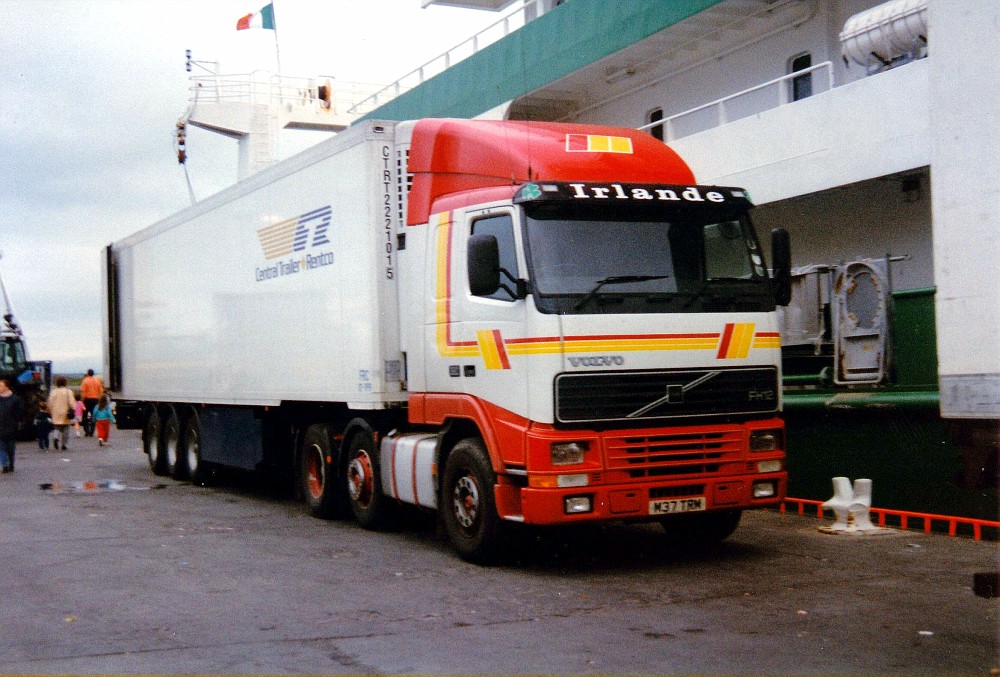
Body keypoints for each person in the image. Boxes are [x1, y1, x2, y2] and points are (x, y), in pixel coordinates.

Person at [47, 375, 76, 451]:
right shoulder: (68, 392)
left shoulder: (53, 392)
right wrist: (73, 409)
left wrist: (50, 410)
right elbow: (71, 403)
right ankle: (64, 444)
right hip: (65, 412)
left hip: (55, 412)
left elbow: (50, 402)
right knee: (66, 429)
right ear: (65, 383)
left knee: (57, 427)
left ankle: (56, 438)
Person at [0, 377, 23, 472]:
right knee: (1, 447)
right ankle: (5, 464)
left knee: (10, 448)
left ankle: (11, 464)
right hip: (0, 426)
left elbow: (19, 413)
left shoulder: (16, 399)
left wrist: (17, 422)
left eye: (1, 385)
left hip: (11, 426)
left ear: (7, 387)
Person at [79, 369, 104, 437]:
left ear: (87, 373)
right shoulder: (97, 381)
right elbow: (101, 391)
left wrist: (82, 400)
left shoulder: (85, 381)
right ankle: (92, 431)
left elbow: (83, 392)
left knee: (85, 416)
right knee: (93, 415)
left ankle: (86, 431)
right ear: (93, 374)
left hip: (87, 400)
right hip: (95, 400)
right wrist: (99, 399)